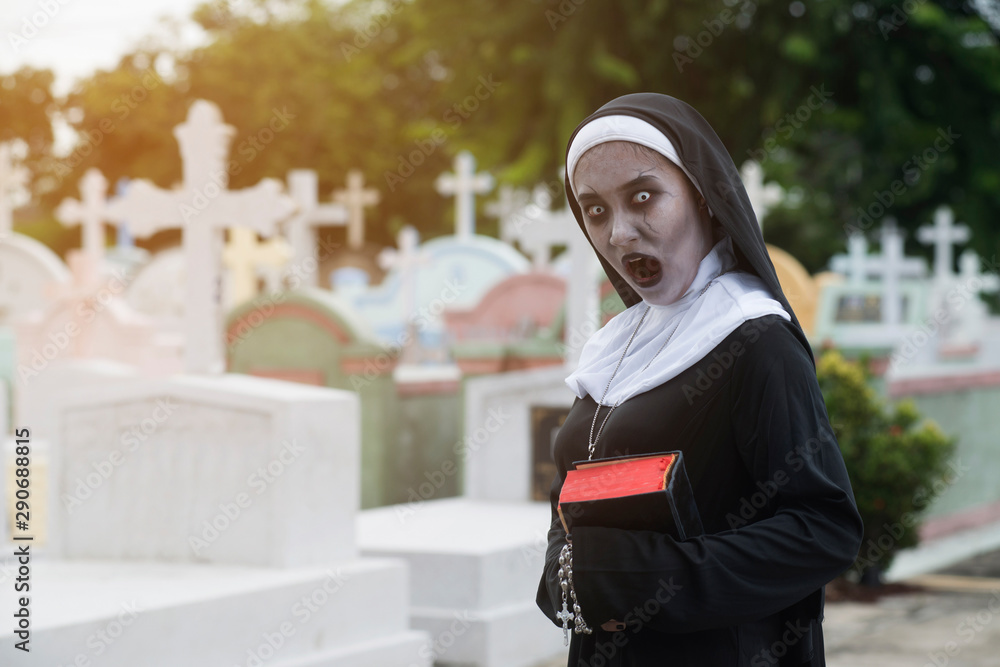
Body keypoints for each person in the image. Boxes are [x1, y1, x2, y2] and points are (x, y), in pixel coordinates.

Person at [535, 92, 864, 666]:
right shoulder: (616, 347)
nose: (619, 233)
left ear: (703, 196)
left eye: (643, 197)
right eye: (596, 210)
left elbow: (823, 529)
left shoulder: (755, 340)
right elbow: (576, 499)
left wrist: (647, 581)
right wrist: (565, 574)